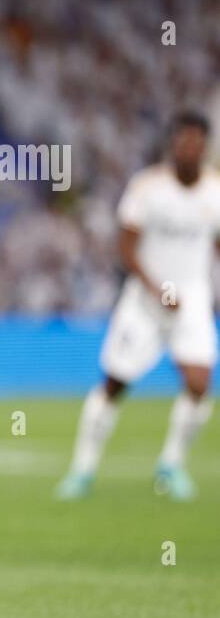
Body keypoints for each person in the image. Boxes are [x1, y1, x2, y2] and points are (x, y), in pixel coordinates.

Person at [56, 112, 220, 501]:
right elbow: (126, 247)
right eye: (183, 140)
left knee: (199, 381)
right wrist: (157, 288)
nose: (190, 147)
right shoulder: (148, 188)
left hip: (192, 297)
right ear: (172, 144)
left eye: (197, 140)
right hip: (145, 299)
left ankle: (171, 464)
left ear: (206, 145)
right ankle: (83, 469)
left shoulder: (215, 191)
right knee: (116, 381)